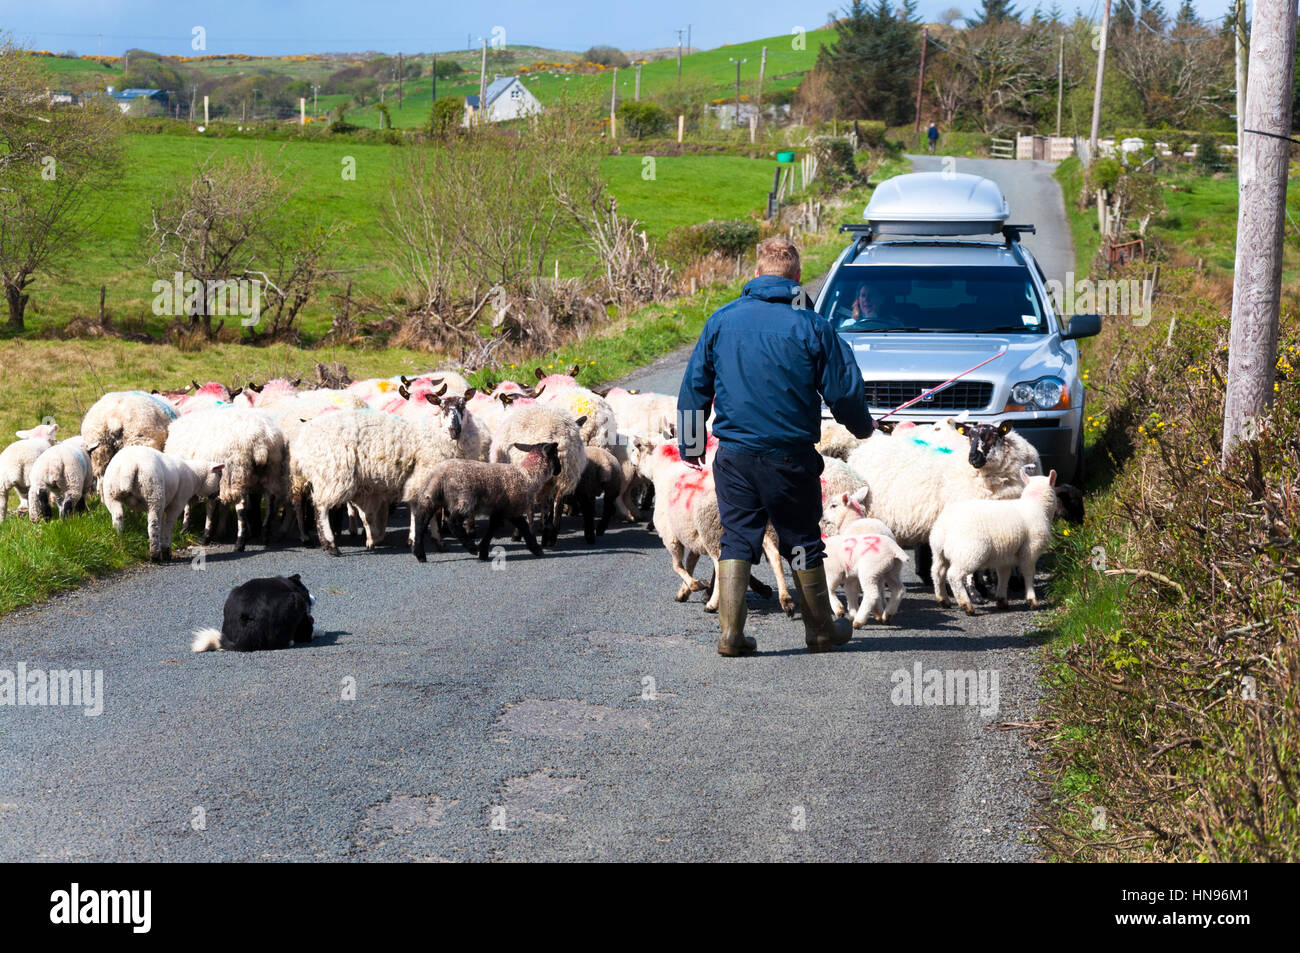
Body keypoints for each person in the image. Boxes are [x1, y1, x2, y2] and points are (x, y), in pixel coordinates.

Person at [677, 237, 875, 657]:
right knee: (802, 539)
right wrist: (862, 428)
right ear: (798, 277)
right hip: (790, 457)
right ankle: (820, 631)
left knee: (736, 537)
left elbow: (695, 386)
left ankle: (731, 635)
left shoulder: (721, 320)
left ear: (756, 274)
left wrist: (692, 443)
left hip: (735, 456)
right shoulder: (813, 325)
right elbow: (842, 391)